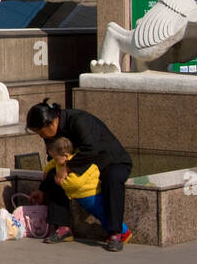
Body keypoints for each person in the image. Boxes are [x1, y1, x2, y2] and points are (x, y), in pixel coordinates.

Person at [25, 98, 133, 252]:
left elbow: (91, 149)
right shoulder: (50, 134)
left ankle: (116, 233)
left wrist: (67, 167)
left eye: (41, 132)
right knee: (54, 175)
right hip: (84, 165)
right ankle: (63, 227)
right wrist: (43, 189)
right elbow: (53, 161)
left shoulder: (79, 120)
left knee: (113, 180)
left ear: (52, 122)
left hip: (111, 161)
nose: (42, 136)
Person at [44, 136, 130, 242]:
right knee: (101, 214)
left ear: (65, 155)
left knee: (103, 214)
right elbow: (52, 164)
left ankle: (124, 232)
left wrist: (61, 183)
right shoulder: (60, 162)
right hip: (82, 196)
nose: (55, 161)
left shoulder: (78, 164)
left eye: (56, 158)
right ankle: (116, 233)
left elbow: (75, 182)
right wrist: (46, 170)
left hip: (91, 194)